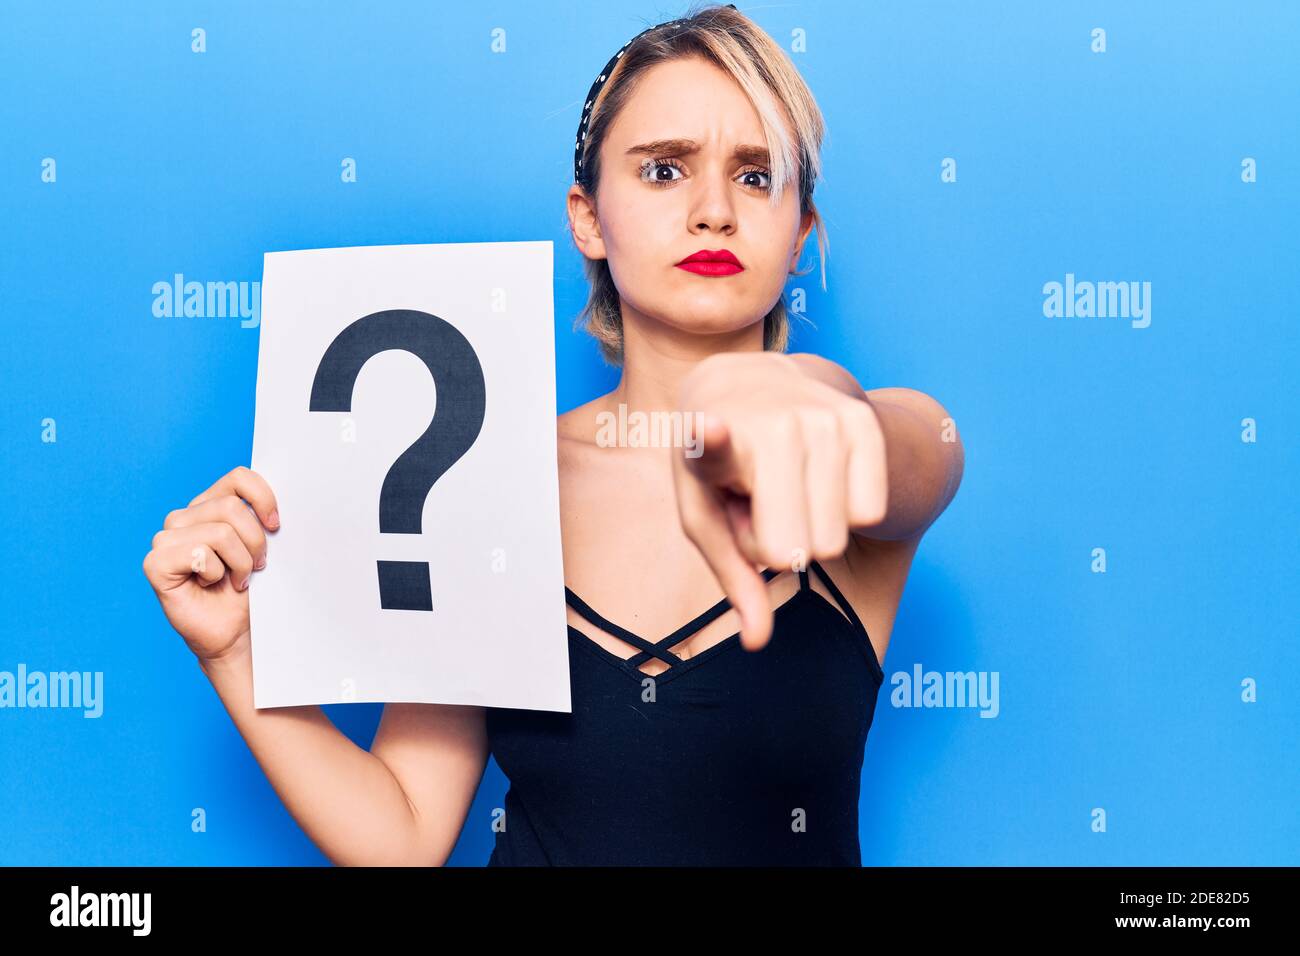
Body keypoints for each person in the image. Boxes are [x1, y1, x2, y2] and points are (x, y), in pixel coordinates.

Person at [142, 2, 964, 866]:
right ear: (587, 217)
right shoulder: (486, 472)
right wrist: (234, 651)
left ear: (799, 237)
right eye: (664, 171)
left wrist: (815, 394)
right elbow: (405, 835)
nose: (715, 209)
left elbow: (928, 451)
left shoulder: (844, 447)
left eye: (756, 176)